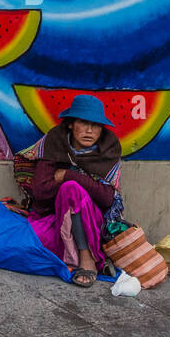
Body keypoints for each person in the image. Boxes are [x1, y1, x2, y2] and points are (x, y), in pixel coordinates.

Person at [21, 94, 123, 287]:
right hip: (57, 216)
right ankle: (73, 254)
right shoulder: (55, 142)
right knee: (30, 236)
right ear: (70, 124)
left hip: (93, 220)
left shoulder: (108, 148)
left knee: (71, 188)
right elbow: (41, 192)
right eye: (83, 122)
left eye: (96, 125)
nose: (90, 130)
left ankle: (86, 257)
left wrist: (70, 176)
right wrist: (83, 186)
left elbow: (107, 199)